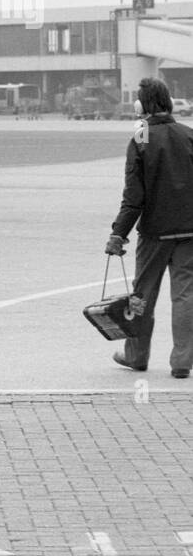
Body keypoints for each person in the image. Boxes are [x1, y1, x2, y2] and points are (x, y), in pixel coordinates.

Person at [106, 77, 193, 378]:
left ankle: (137, 356)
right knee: (185, 296)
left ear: (141, 106)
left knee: (142, 296)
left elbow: (134, 197)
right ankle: (182, 362)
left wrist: (118, 233)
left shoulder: (141, 138)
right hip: (189, 233)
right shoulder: (188, 134)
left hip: (155, 233)